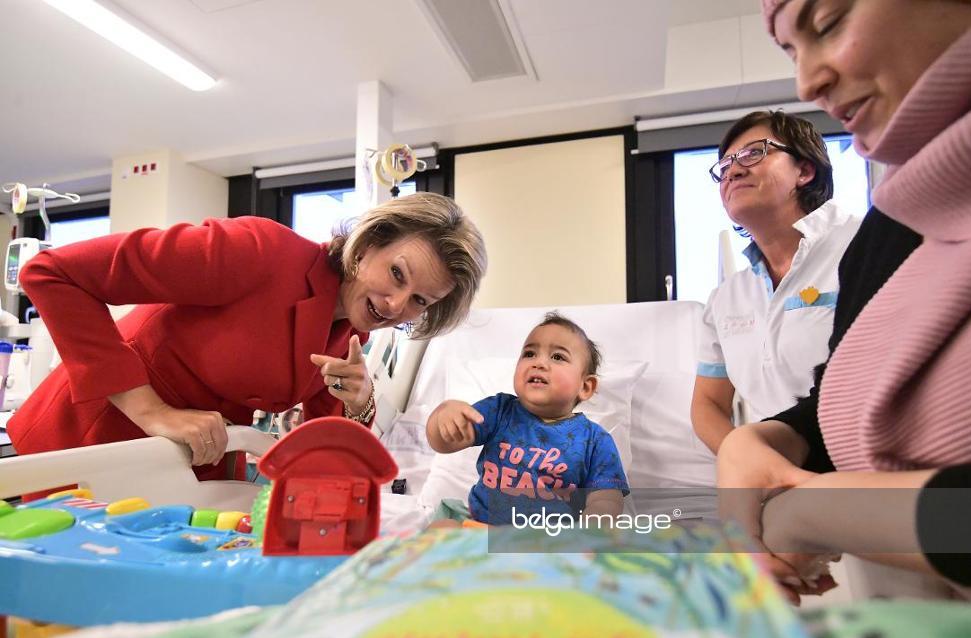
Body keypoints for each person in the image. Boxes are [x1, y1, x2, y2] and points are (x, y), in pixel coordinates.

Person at [717, 0, 971, 601]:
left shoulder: (847, 241)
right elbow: (837, 400)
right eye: (790, 51)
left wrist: (821, 510)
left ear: (805, 170)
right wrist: (755, 441)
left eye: (829, 23)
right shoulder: (890, 231)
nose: (808, 80)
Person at [8, 192, 487, 480]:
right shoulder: (258, 251)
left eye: (421, 301)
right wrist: (150, 409)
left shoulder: (344, 338)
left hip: (191, 467)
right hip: (94, 439)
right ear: (368, 246)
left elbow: (325, 453)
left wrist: (358, 402)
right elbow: (53, 274)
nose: (397, 307)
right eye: (398, 275)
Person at [692, 110, 861, 453]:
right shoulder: (727, 298)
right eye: (723, 167)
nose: (733, 171)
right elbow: (707, 404)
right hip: (777, 475)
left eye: (754, 152)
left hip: (863, 464)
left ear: (805, 169)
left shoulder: (861, 244)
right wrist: (752, 460)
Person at [426, 312, 628, 525]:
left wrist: (591, 526)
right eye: (530, 353)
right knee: (443, 527)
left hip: (545, 542)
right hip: (482, 527)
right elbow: (445, 442)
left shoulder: (595, 440)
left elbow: (606, 497)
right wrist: (444, 416)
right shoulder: (499, 410)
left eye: (558, 357)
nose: (538, 363)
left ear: (585, 387)